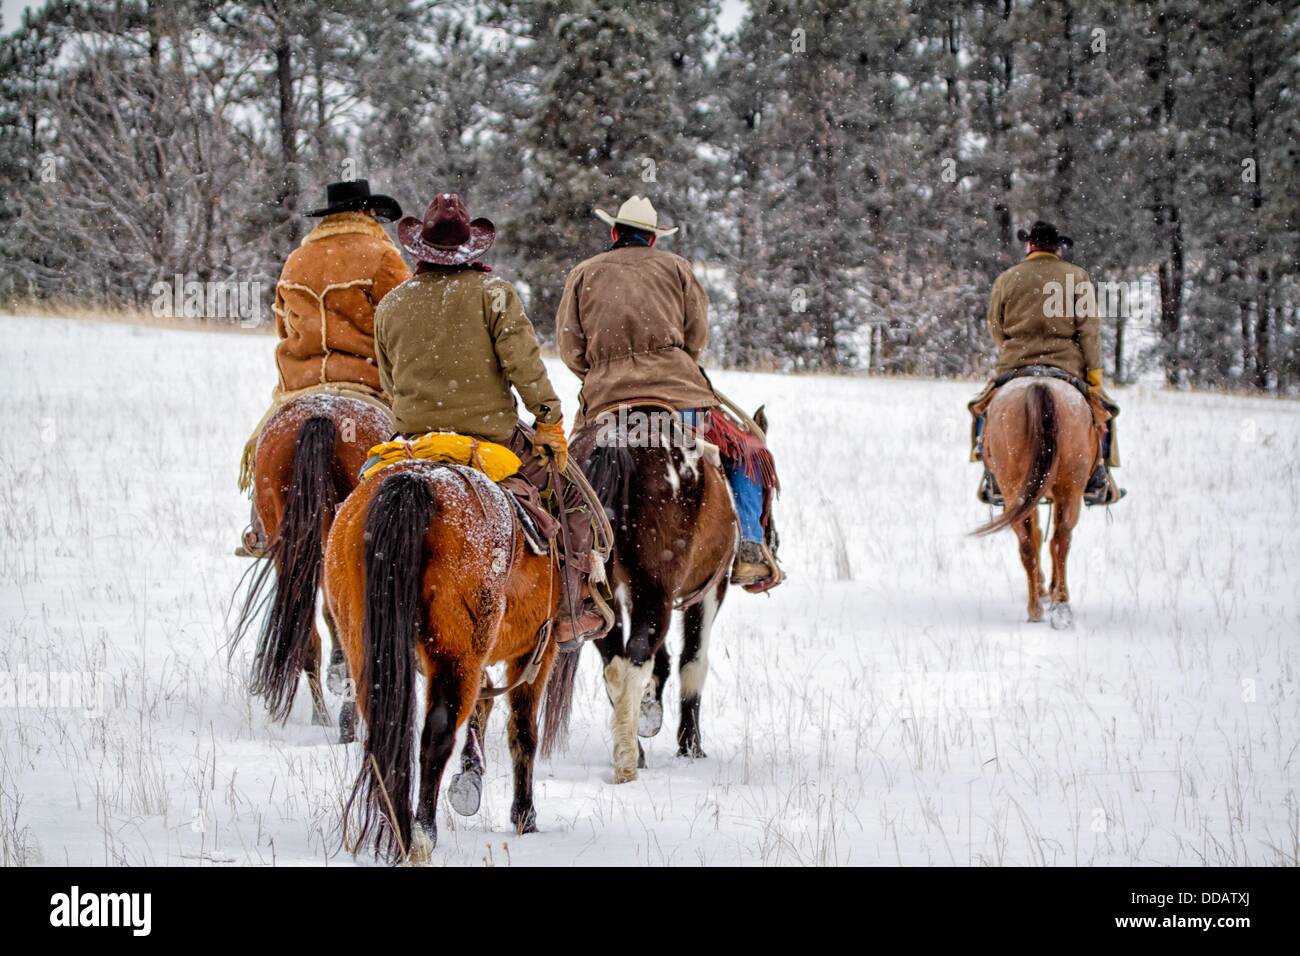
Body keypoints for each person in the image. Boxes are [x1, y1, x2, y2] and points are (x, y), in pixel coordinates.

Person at [374, 193, 610, 649]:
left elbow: (390, 382)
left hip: (412, 440)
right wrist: (548, 422)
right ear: (471, 250)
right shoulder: (494, 295)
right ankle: (572, 613)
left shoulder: (392, 303)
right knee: (575, 502)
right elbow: (525, 367)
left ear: (420, 250)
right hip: (493, 439)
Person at [557, 195, 783, 588]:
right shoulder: (677, 268)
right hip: (680, 399)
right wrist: (675, 366)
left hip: (606, 401)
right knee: (747, 451)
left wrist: (601, 375)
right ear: (653, 240)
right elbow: (697, 336)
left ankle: (561, 551)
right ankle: (750, 547)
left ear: (614, 232)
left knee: (567, 466)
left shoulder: (583, 272)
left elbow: (570, 347)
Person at [237, 180, 410, 556]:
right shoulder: (383, 256)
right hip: (369, 384)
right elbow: (406, 327)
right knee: (417, 456)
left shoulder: (297, 260)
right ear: (366, 213)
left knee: (267, 441)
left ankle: (261, 529)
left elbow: (284, 327)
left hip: (302, 386)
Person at [970, 220, 1123, 507]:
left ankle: (990, 469)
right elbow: (1089, 330)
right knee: (1104, 415)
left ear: (1029, 245)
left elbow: (995, 326)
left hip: (1016, 363)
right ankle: (1099, 474)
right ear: (1058, 248)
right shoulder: (1077, 277)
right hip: (1066, 366)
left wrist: (1013, 349)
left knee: (982, 409)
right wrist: (1094, 374)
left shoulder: (1007, 278)